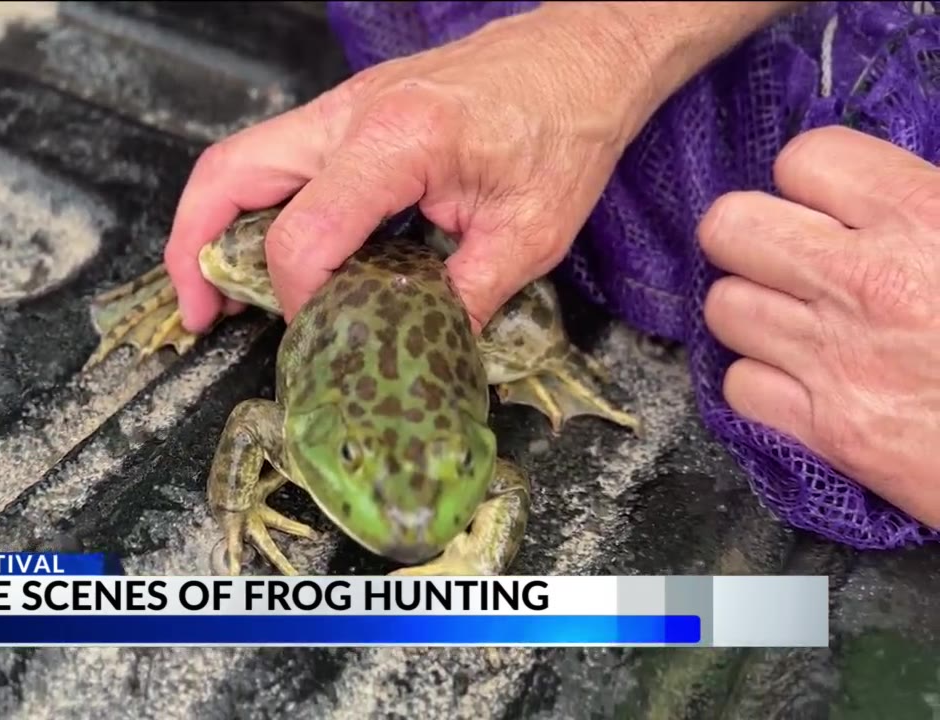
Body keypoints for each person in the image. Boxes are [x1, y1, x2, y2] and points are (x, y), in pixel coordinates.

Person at [160, 2, 940, 543]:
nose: (411, 528)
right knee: (220, 256)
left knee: (534, 334)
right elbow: (255, 424)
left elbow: (505, 485)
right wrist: (599, 45)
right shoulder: (292, 432)